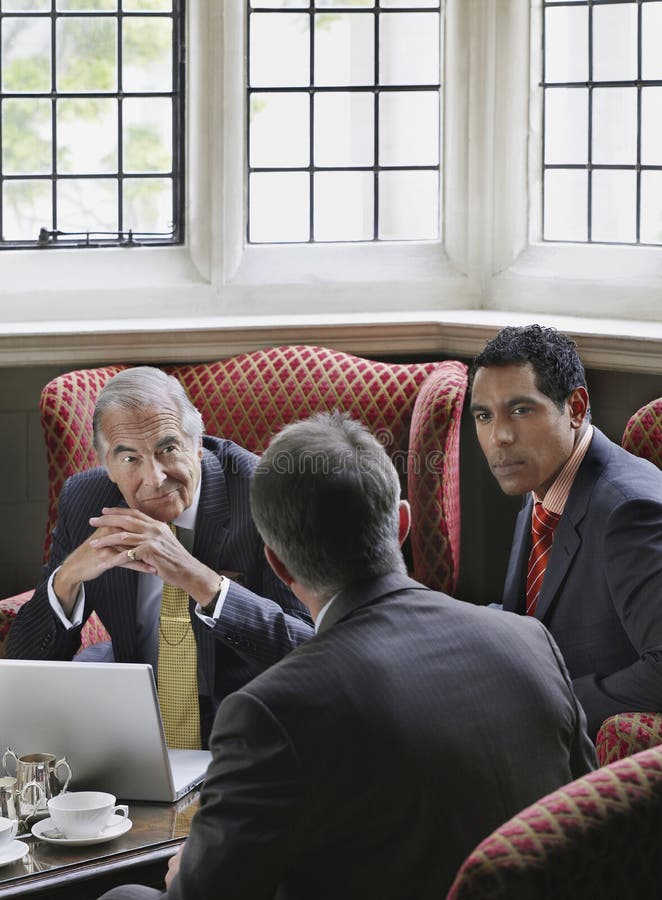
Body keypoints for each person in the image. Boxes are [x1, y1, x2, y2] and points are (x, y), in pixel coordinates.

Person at [98, 411, 595, 900]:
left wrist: (190, 871)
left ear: (276, 560)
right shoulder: (531, 639)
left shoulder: (269, 713)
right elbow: (593, 822)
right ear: (401, 522)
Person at [7, 366, 313, 747]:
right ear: (107, 466)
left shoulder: (264, 494)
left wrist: (200, 580)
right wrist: (68, 578)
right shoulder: (86, 500)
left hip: (250, 724)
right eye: (130, 459)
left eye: (168, 449)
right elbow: (22, 666)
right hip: (135, 724)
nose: (155, 478)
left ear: (197, 444)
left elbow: (312, 654)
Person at [469, 324, 662, 739]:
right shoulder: (543, 480)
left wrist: (546, 709)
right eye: (484, 416)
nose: (499, 437)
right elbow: (539, 618)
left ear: (575, 408)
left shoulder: (630, 512)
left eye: (521, 410)